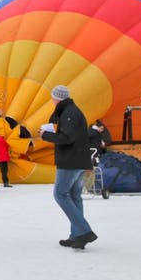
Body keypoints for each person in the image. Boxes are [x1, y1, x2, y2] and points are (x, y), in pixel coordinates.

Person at [40, 85, 97, 249]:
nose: (52, 101)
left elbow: (67, 138)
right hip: (79, 160)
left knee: (60, 194)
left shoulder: (69, 113)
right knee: (73, 195)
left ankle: (84, 231)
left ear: (57, 98)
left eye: (52, 98)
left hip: (70, 161)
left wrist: (46, 135)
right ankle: (77, 235)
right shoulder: (71, 111)